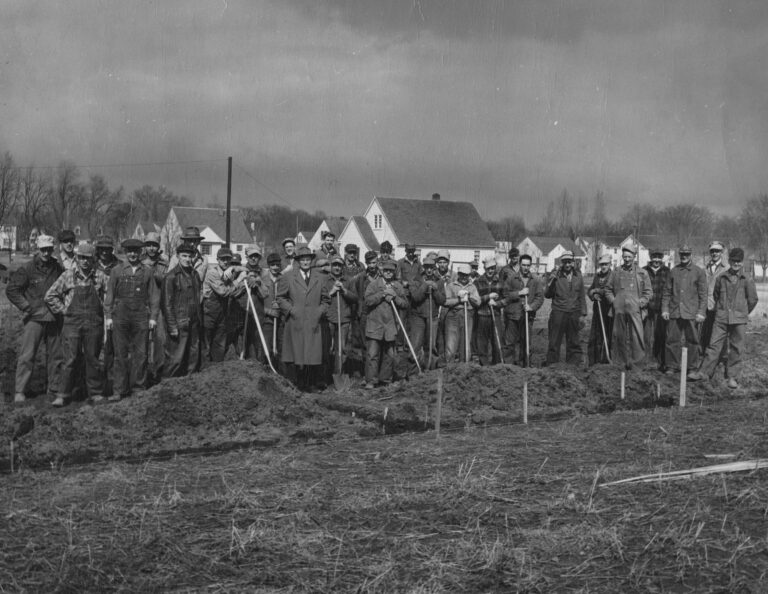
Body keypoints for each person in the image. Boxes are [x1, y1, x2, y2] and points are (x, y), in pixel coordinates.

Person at [44, 243, 109, 405]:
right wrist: (64, 310)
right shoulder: (68, 276)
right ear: (77, 259)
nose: (84, 261)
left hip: (94, 323)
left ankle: (95, 393)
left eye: (87, 258)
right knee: (70, 359)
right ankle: (63, 394)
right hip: (72, 323)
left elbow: (112, 296)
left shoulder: (100, 277)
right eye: (81, 258)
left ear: (92, 259)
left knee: (92, 358)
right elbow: (50, 296)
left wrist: (105, 311)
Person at [6, 234, 64, 404]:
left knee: (56, 356)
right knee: (27, 355)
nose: (46, 253)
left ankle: (53, 389)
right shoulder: (27, 269)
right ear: (37, 250)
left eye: (49, 249)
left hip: (54, 318)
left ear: (52, 250)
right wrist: (26, 307)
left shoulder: (57, 268)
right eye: (43, 249)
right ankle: (20, 390)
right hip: (35, 318)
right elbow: (12, 290)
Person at [688, 248, 757, 388]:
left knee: (736, 348)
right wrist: (722, 310)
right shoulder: (721, 278)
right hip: (721, 318)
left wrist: (742, 312)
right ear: (729, 261)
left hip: (739, 320)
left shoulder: (747, 279)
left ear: (742, 262)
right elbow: (716, 296)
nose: (736, 264)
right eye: (733, 261)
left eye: (738, 261)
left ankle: (732, 377)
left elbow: (753, 300)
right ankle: (704, 372)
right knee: (713, 345)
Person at [104, 238, 161, 401]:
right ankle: (119, 390)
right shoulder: (117, 271)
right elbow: (110, 295)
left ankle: (138, 388)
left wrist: (153, 318)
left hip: (140, 316)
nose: (133, 254)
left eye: (136, 251)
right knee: (120, 354)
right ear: (125, 252)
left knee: (141, 353)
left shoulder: (147, 271)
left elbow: (154, 297)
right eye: (129, 251)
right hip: (120, 316)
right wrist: (108, 316)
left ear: (140, 252)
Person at [276, 247, 329, 391]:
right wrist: (291, 310)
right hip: (295, 321)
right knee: (296, 353)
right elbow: (280, 297)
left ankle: (310, 384)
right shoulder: (288, 277)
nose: (305, 262)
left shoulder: (319, 277)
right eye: (302, 259)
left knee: (311, 353)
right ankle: (295, 384)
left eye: (308, 259)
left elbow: (326, 300)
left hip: (313, 321)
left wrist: (319, 312)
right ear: (298, 261)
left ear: (311, 261)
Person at [605, 245, 652, 370]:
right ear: (622, 257)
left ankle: (637, 364)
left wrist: (641, 303)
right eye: (625, 257)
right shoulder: (616, 272)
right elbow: (608, 289)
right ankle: (619, 363)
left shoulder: (642, 273)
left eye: (629, 257)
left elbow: (648, 292)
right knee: (618, 335)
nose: (627, 259)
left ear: (634, 257)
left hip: (635, 310)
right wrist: (613, 301)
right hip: (619, 309)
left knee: (637, 336)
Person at [661, 244, 707, 374]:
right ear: (679, 255)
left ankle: (692, 367)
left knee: (692, 340)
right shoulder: (673, 271)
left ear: (691, 255)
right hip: (675, 311)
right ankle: (671, 365)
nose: (684, 257)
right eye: (682, 254)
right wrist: (665, 309)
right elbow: (666, 293)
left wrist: (701, 312)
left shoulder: (699, 272)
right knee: (672, 340)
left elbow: (703, 295)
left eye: (687, 254)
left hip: (691, 313)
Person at [363, 259, 407, 387]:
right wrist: (382, 294)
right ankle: (370, 381)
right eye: (386, 270)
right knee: (372, 355)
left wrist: (395, 297)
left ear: (394, 272)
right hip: (375, 325)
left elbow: (405, 304)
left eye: (391, 271)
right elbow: (368, 301)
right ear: (382, 271)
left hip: (391, 326)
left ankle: (385, 380)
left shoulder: (397, 286)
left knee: (390, 356)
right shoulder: (374, 285)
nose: (388, 273)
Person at [163, 243, 203, 378]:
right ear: (177, 256)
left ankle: (189, 386)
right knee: (176, 358)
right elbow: (167, 304)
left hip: (194, 322)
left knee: (193, 356)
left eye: (190, 256)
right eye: (184, 256)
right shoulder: (171, 277)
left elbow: (198, 297)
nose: (187, 259)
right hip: (180, 323)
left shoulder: (195, 274)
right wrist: (172, 326)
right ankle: (167, 387)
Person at [544, 251, 587, 366]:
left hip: (574, 312)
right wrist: (551, 281)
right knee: (554, 342)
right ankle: (552, 366)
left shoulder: (578, 276)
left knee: (574, 341)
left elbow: (582, 295)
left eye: (569, 262)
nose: (567, 264)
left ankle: (573, 366)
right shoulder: (556, 275)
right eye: (565, 262)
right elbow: (547, 294)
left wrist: (583, 314)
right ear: (561, 263)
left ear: (573, 262)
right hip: (559, 312)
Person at [202, 248, 243, 362]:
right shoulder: (212, 273)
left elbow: (231, 274)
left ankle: (217, 371)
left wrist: (243, 270)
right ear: (217, 260)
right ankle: (203, 372)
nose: (225, 262)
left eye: (228, 259)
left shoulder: (227, 273)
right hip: (209, 314)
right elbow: (223, 291)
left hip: (222, 314)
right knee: (206, 344)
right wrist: (239, 279)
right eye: (223, 259)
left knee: (219, 345)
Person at [502, 254, 544, 366]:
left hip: (527, 316)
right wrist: (519, 293)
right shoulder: (512, 278)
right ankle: (509, 367)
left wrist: (531, 307)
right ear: (520, 264)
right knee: (509, 343)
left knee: (525, 342)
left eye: (528, 265)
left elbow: (540, 297)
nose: (526, 267)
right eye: (523, 265)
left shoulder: (535, 280)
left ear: (531, 265)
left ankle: (525, 366)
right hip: (512, 315)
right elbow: (505, 295)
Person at [406, 256, 446, 372]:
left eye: (432, 268)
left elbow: (442, 301)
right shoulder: (415, 280)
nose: (429, 270)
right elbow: (415, 297)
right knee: (416, 345)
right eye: (427, 267)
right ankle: (413, 372)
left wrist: (435, 290)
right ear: (423, 267)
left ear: (435, 268)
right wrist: (424, 286)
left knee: (431, 345)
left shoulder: (439, 281)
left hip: (432, 317)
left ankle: (430, 370)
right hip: (417, 317)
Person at [142, 231, 169, 384]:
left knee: (160, 339)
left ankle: (159, 372)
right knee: (141, 340)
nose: (151, 248)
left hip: (158, 306)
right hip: (141, 305)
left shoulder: (164, 263)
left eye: (154, 245)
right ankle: (142, 372)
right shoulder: (139, 262)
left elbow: (167, 282)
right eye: (149, 245)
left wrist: (157, 275)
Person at [325, 255, 358, 377]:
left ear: (342, 267)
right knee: (327, 347)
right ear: (331, 266)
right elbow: (320, 299)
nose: (337, 268)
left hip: (343, 319)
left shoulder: (348, 281)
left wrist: (344, 291)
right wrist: (331, 292)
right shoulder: (325, 280)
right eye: (335, 265)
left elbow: (355, 298)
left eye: (339, 265)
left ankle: (339, 372)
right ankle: (326, 374)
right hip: (329, 318)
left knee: (342, 348)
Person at [442, 263, 481, 364]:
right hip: (453, 316)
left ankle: (464, 370)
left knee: (466, 345)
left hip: (468, 315)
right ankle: (449, 369)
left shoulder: (472, 287)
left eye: (466, 275)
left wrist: (469, 296)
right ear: (458, 274)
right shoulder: (451, 286)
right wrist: (458, 300)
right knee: (451, 346)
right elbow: (445, 302)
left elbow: (478, 302)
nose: (464, 277)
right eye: (462, 274)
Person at [351, 250, 379, 371]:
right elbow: (356, 295)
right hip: (365, 313)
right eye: (369, 263)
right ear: (366, 263)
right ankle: (365, 370)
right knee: (364, 341)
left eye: (374, 262)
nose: (372, 266)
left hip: (378, 313)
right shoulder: (361, 277)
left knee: (377, 341)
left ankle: (376, 370)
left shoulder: (382, 275)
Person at [474, 256, 504, 365]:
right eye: (488, 268)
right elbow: (475, 300)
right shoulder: (477, 282)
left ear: (495, 268)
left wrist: (497, 303)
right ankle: (484, 366)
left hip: (495, 315)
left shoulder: (500, 282)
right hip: (482, 315)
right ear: (484, 268)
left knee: (497, 342)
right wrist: (487, 297)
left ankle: (497, 366)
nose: (490, 271)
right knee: (482, 342)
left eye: (492, 268)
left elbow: (506, 298)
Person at [700, 240, 728, 357]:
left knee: (719, 335)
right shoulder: (705, 267)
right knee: (705, 332)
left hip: (719, 307)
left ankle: (721, 358)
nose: (715, 253)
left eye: (717, 251)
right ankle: (704, 356)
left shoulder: (726, 268)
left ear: (721, 252)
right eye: (712, 251)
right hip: (706, 306)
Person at [643, 249, 670, 370]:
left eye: (659, 257)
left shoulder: (667, 272)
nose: (657, 260)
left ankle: (660, 361)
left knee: (660, 335)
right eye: (654, 257)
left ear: (662, 258)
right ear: (650, 257)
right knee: (646, 336)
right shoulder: (644, 271)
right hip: (647, 309)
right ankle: (646, 361)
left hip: (661, 309)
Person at [586, 254, 614, 366]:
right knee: (596, 336)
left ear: (610, 264)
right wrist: (593, 295)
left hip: (610, 310)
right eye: (602, 264)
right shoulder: (597, 276)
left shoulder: (613, 276)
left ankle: (607, 360)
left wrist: (598, 291)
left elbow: (611, 291)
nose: (603, 266)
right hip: (598, 310)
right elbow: (590, 290)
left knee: (609, 335)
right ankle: (594, 362)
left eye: (606, 264)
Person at [261, 253, 284, 371]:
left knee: (281, 349)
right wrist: (269, 311)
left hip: (281, 321)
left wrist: (280, 307)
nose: (275, 267)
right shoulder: (262, 280)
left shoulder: (284, 279)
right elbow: (257, 304)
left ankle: (280, 375)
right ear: (268, 266)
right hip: (267, 321)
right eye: (272, 265)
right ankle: (267, 372)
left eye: (277, 265)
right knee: (266, 348)